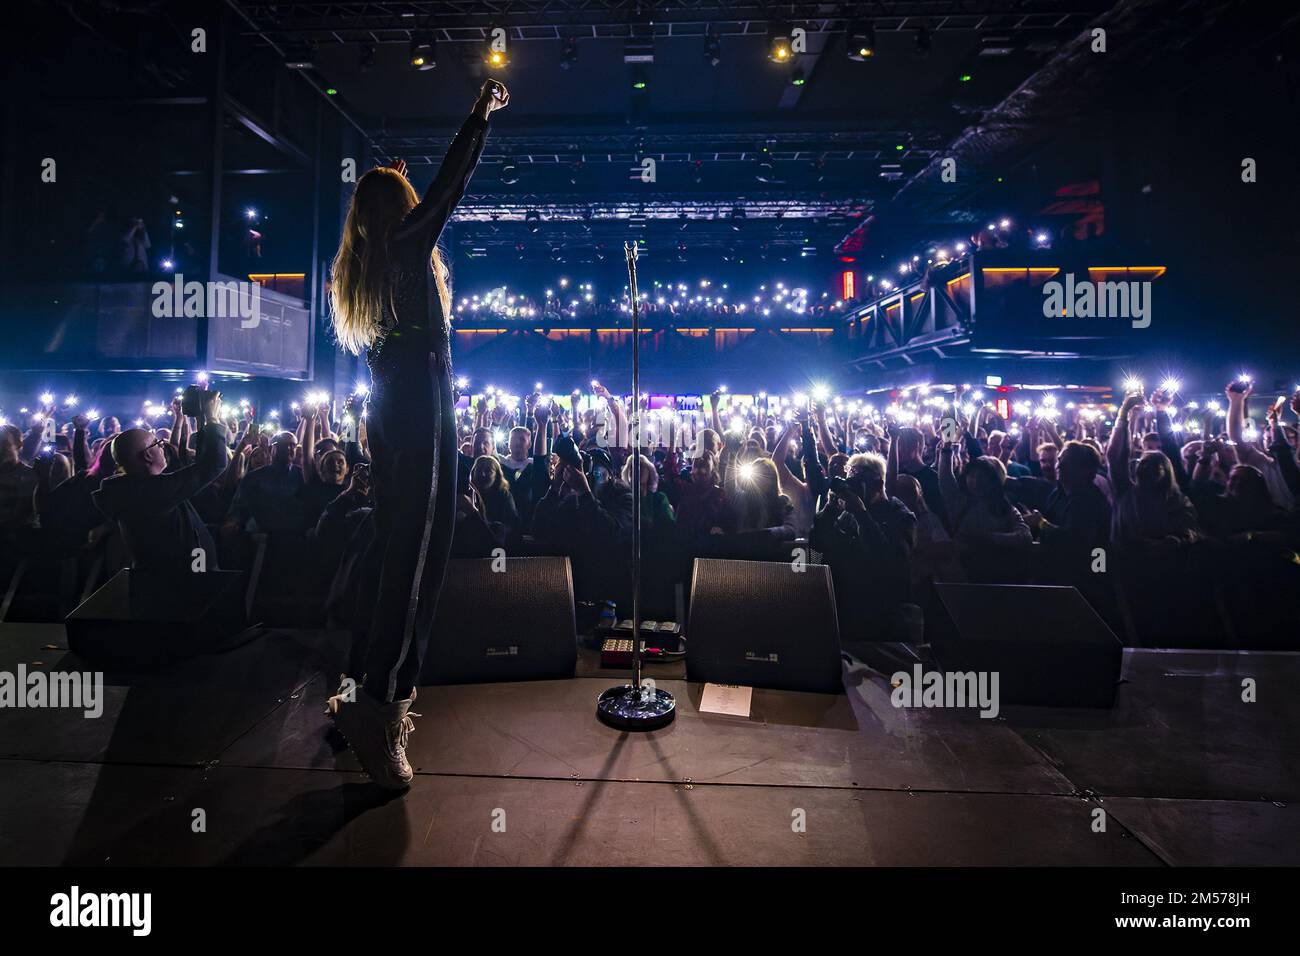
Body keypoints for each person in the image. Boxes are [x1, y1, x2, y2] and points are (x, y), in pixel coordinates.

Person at [325, 78, 509, 790]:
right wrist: (478, 116)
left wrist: (388, 185)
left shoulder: (366, 256)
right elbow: (451, 185)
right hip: (423, 403)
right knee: (421, 554)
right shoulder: (407, 242)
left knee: (390, 544)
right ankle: (383, 707)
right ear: (400, 210)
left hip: (388, 403)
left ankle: (355, 683)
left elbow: (412, 196)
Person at [91, 390, 228, 572]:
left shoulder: (136, 488)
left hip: (184, 574)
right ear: (147, 456)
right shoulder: (150, 492)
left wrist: (201, 420)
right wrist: (212, 419)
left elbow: (200, 464)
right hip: (181, 581)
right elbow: (212, 465)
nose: (163, 447)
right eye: (157, 443)